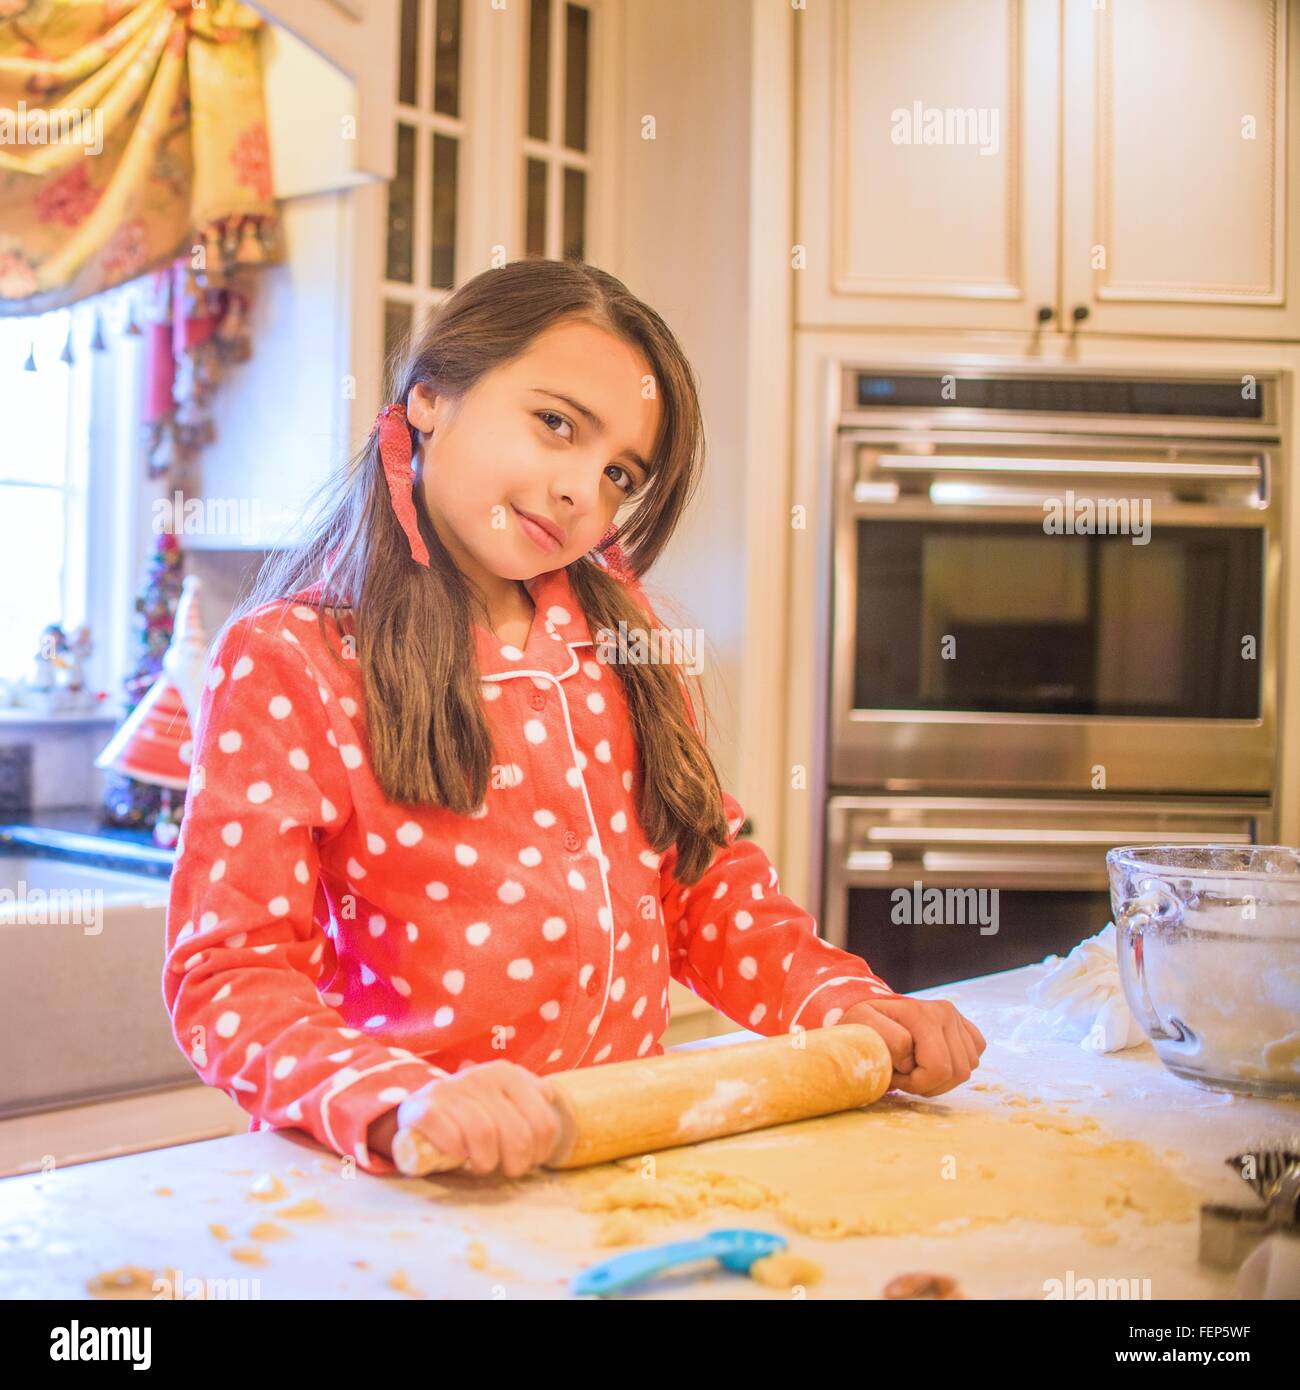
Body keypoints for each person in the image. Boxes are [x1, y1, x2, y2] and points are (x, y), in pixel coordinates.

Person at [163, 259, 985, 1181]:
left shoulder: (621, 648)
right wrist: (394, 1102)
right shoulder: (293, 660)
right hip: (412, 1187)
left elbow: (703, 887)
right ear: (431, 395)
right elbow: (232, 976)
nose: (579, 491)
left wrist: (839, 1001)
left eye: (618, 474)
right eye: (555, 424)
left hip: (622, 1165)